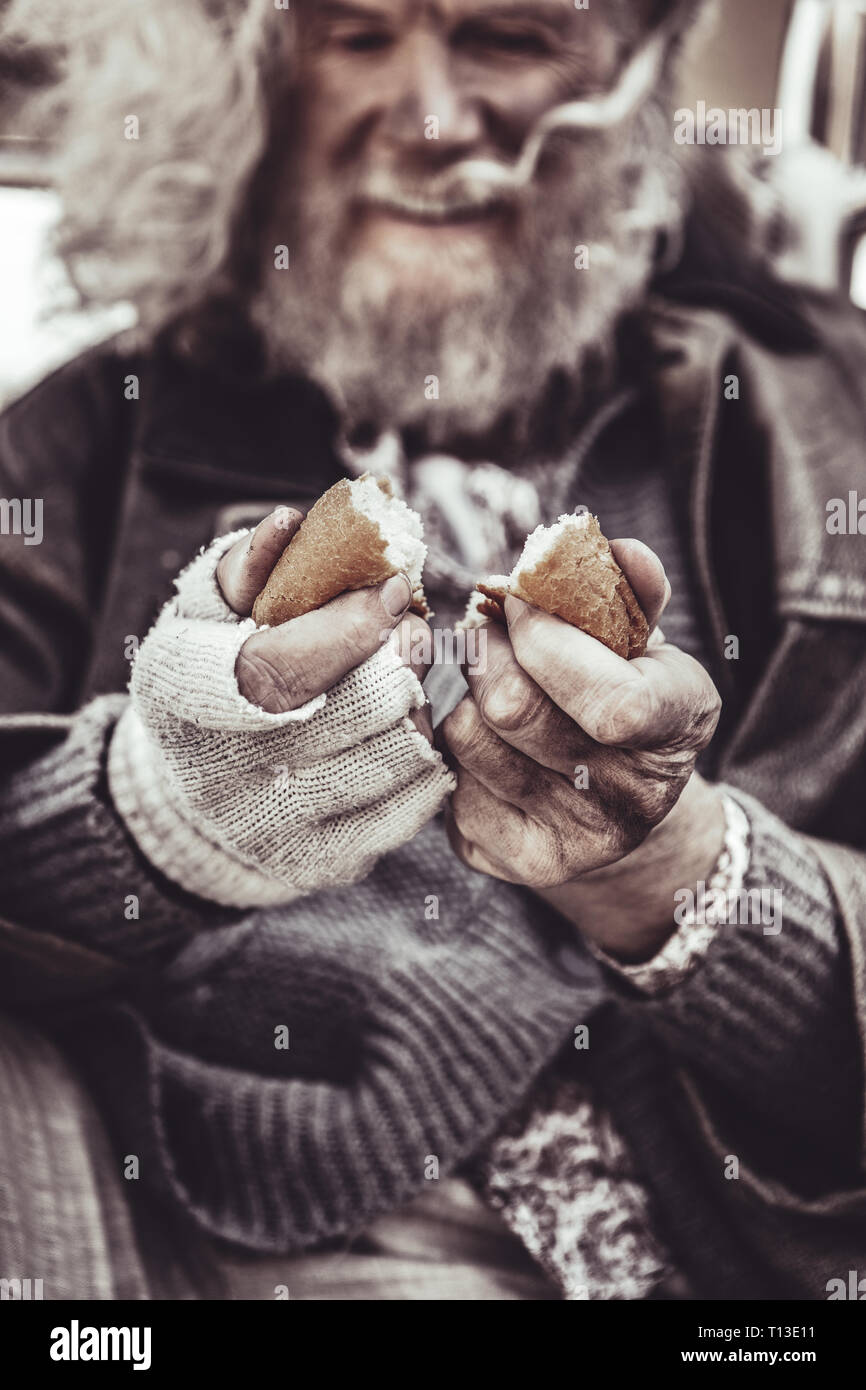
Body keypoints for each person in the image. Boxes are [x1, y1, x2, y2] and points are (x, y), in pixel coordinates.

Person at [0, 0, 864, 1301]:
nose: (429, 118)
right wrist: (151, 813)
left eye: (505, 36)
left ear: (626, 74)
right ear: (260, 84)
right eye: (354, 35)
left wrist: (690, 877)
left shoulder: (828, 420)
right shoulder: (74, 446)